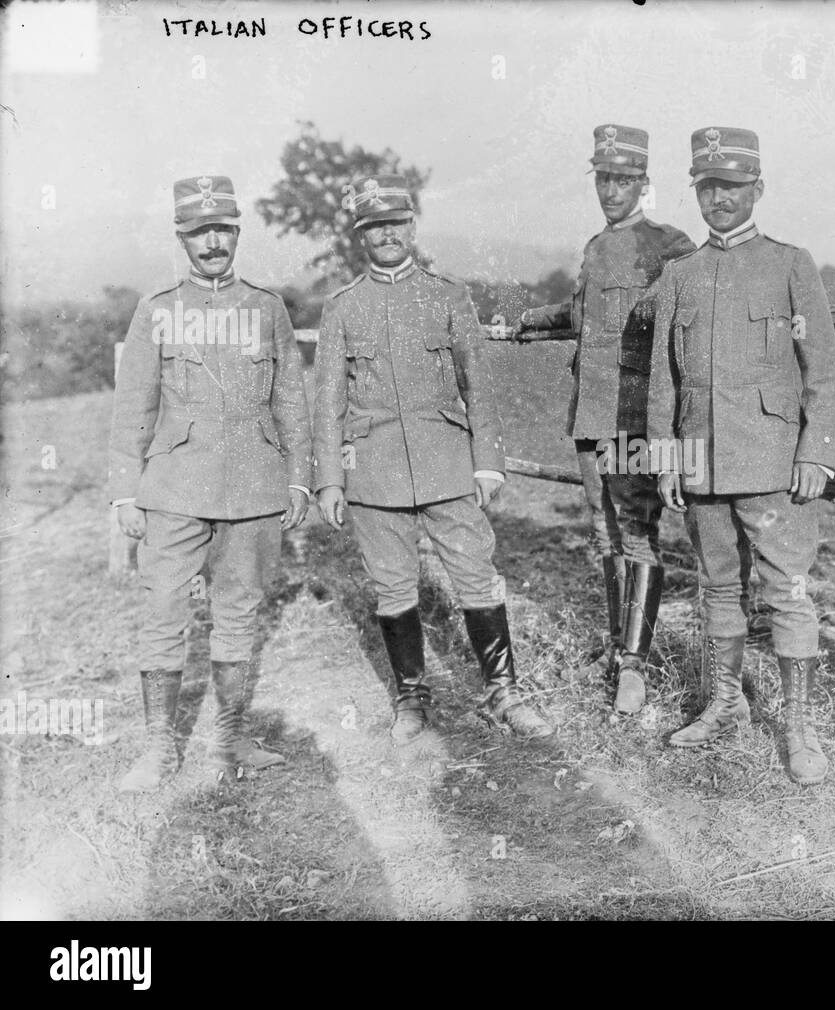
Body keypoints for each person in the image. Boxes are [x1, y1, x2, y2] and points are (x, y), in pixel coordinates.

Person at [313, 174, 552, 743]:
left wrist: (487, 460)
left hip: (447, 463)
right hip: (372, 472)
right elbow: (327, 403)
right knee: (392, 587)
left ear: (412, 226)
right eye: (375, 227)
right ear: (360, 235)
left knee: (475, 576)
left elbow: (480, 385)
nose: (387, 235)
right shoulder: (343, 308)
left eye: (396, 223)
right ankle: (412, 698)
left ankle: (503, 693)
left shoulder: (448, 295)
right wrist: (328, 481)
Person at [648, 128, 835, 785]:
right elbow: (662, 381)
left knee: (787, 593)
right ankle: (723, 704)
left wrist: (816, 451)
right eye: (707, 186)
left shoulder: (791, 264)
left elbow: (824, 371)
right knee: (717, 590)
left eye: (731, 186)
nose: (719, 198)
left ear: (757, 189)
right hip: (701, 463)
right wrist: (667, 457)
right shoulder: (680, 274)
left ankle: (798, 726)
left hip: (773, 466)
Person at [109, 174, 312, 790]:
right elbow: (133, 408)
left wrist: (299, 482)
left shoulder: (266, 307)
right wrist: (125, 490)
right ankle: (158, 751)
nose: (213, 241)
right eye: (200, 231)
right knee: (163, 612)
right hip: (172, 488)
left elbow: (292, 403)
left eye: (222, 228)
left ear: (237, 232)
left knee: (239, 614)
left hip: (253, 485)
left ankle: (229, 741)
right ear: (182, 237)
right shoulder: (158, 310)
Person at [518, 124, 698, 714]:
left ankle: (635, 666)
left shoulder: (670, 246)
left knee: (638, 531)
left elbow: (685, 317)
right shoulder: (595, 247)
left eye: (624, 179)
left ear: (645, 184)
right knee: (604, 532)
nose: (611, 190)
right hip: (591, 413)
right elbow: (583, 312)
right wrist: (541, 318)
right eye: (603, 178)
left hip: (635, 416)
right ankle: (619, 642)